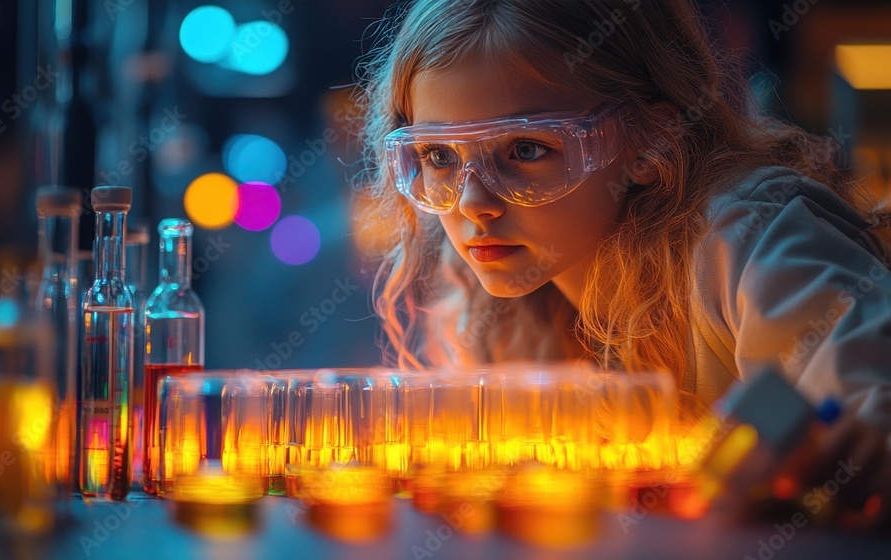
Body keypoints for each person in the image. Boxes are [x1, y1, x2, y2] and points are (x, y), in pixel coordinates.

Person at [354, 0, 891, 524]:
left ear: (649, 140)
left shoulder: (744, 238)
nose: (473, 204)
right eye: (439, 156)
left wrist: (845, 451)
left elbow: (871, 410)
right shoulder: (495, 307)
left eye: (525, 149)